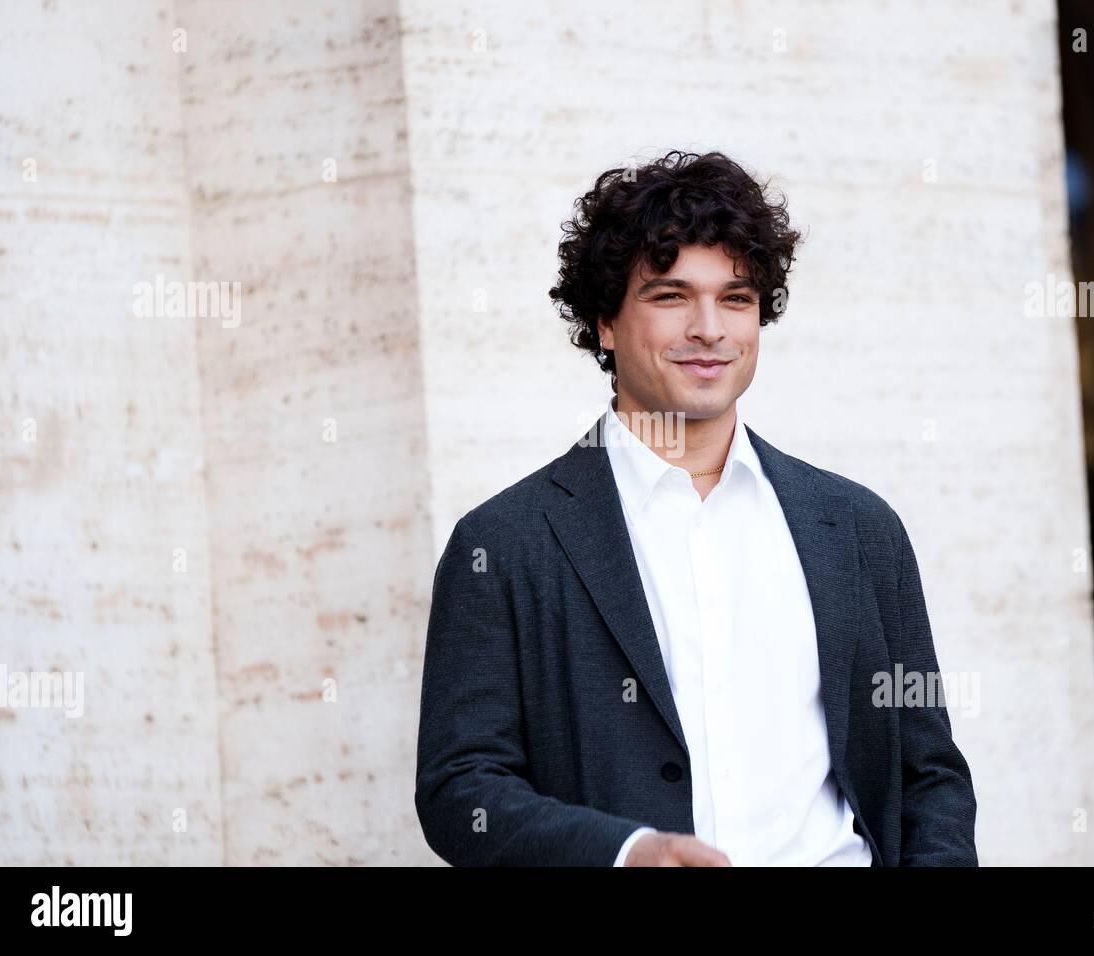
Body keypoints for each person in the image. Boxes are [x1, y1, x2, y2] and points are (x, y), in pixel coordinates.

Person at [415, 150, 977, 866]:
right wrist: (626, 853)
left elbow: (928, 775)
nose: (710, 328)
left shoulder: (860, 529)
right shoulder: (504, 542)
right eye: (671, 296)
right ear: (606, 323)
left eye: (736, 298)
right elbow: (460, 790)